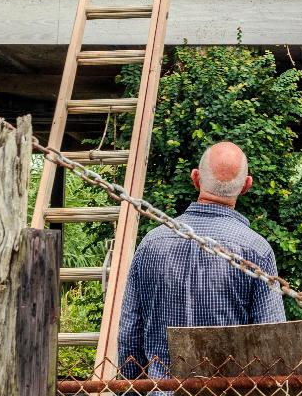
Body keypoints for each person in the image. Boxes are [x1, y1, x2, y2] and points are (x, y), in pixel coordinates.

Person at [116, 141, 285, 379]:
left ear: (195, 178)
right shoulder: (256, 250)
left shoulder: (151, 244)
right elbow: (271, 342)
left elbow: (130, 333)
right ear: (246, 185)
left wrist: (132, 387)